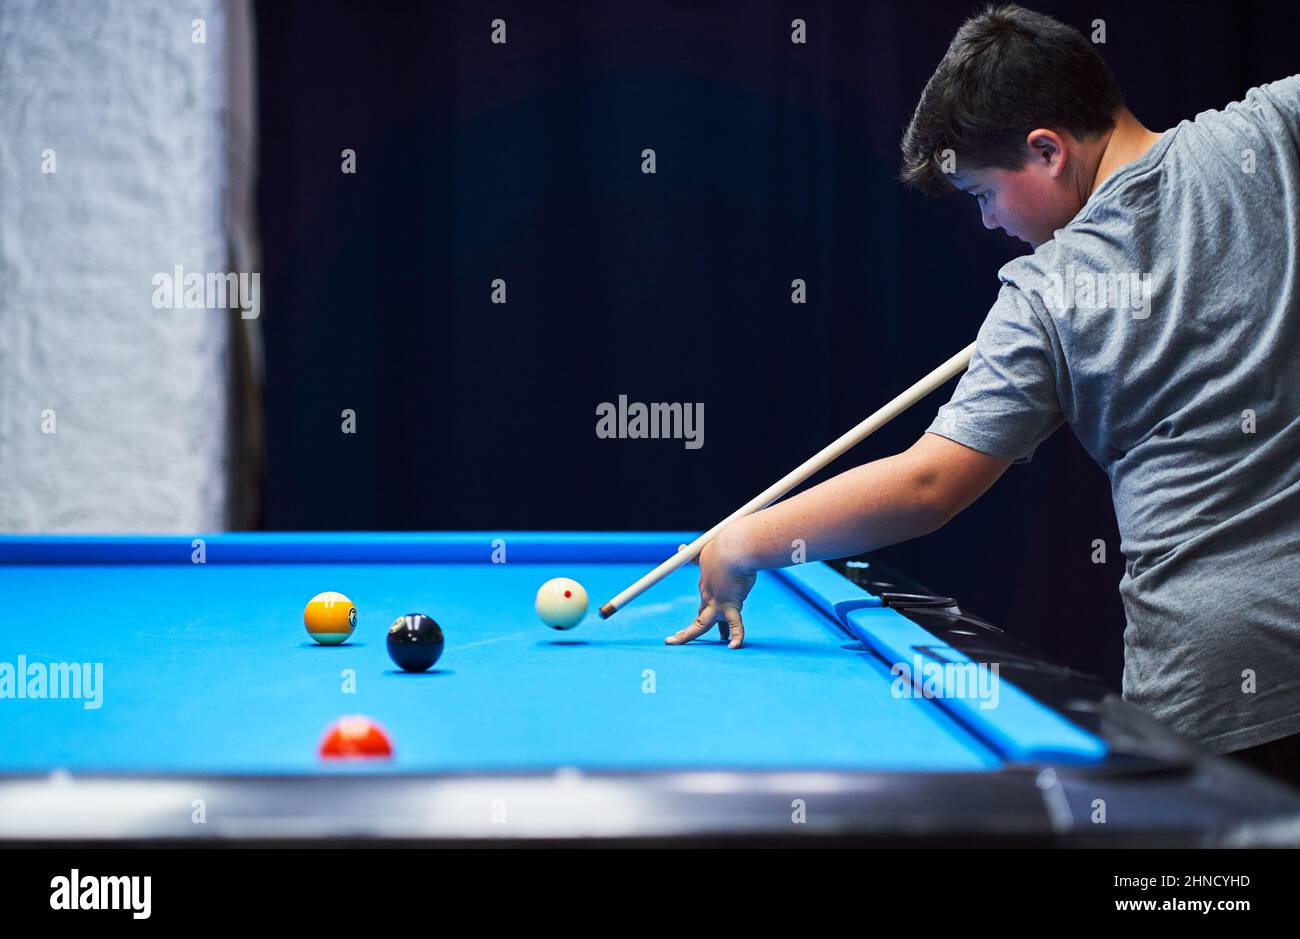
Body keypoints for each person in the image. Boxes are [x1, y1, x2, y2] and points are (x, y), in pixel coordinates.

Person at [671, 4, 1300, 785]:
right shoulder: (1267, 132)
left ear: (1046, 150)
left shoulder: (1042, 292)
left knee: (1193, 906)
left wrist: (743, 539)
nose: (989, 221)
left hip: (1218, 679)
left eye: (981, 193)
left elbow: (928, 484)